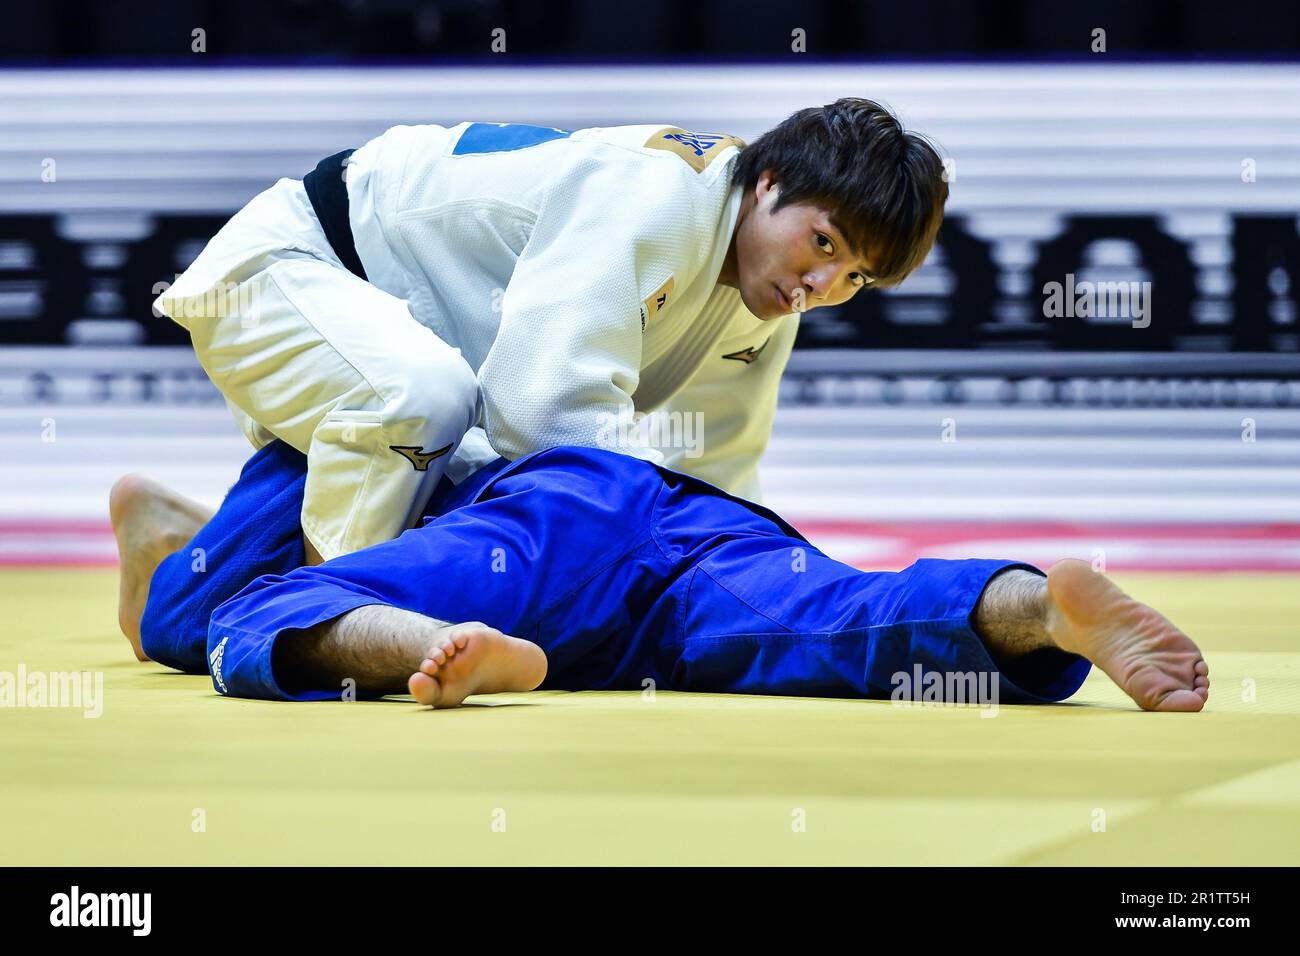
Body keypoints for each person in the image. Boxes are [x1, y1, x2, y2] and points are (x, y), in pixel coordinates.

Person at [143, 97, 946, 606]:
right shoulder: (660, 198)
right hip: (291, 268)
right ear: (768, 182)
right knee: (423, 407)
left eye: (856, 278)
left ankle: (172, 555)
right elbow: (542, 410)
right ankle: (323, 621)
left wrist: (744, 575)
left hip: (396, 332)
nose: (822, 282)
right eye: (823, 242)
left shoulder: (765, 299)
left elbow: (720, 473)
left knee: (447, 455)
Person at [111, 441, 1210, 713]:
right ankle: (1038, 607)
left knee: (232, 618)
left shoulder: (306, 461)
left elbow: (231, 602)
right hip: (692, 535)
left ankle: (432, 651)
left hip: (555, 526)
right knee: (845, 621)